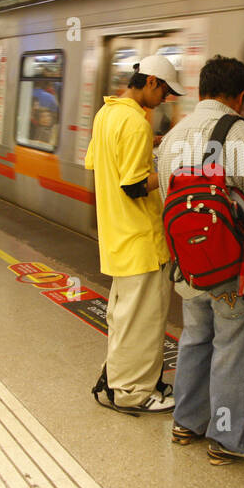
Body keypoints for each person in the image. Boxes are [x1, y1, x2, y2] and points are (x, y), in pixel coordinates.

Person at [156, 55, 244, 463]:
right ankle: (228, 440)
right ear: (241, 97)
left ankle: (187, 421)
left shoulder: (175, 134)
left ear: (200, 92)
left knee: (195, 337)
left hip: (190, 267)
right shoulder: (237, 132)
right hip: (231, 271)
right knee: (232, 346)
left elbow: (167, 198)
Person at [83, 54, 183, 414]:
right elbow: (135, 185)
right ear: (152, 81)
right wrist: (171, 169)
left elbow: (101, 163)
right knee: (143, 322)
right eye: (166, 91)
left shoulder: (107, 114)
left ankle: (120, 382)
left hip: (117, 237)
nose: (166, 99)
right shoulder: (136, 123)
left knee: (123, 319)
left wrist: (153, 144)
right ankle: (133, 393)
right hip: (142, 240)